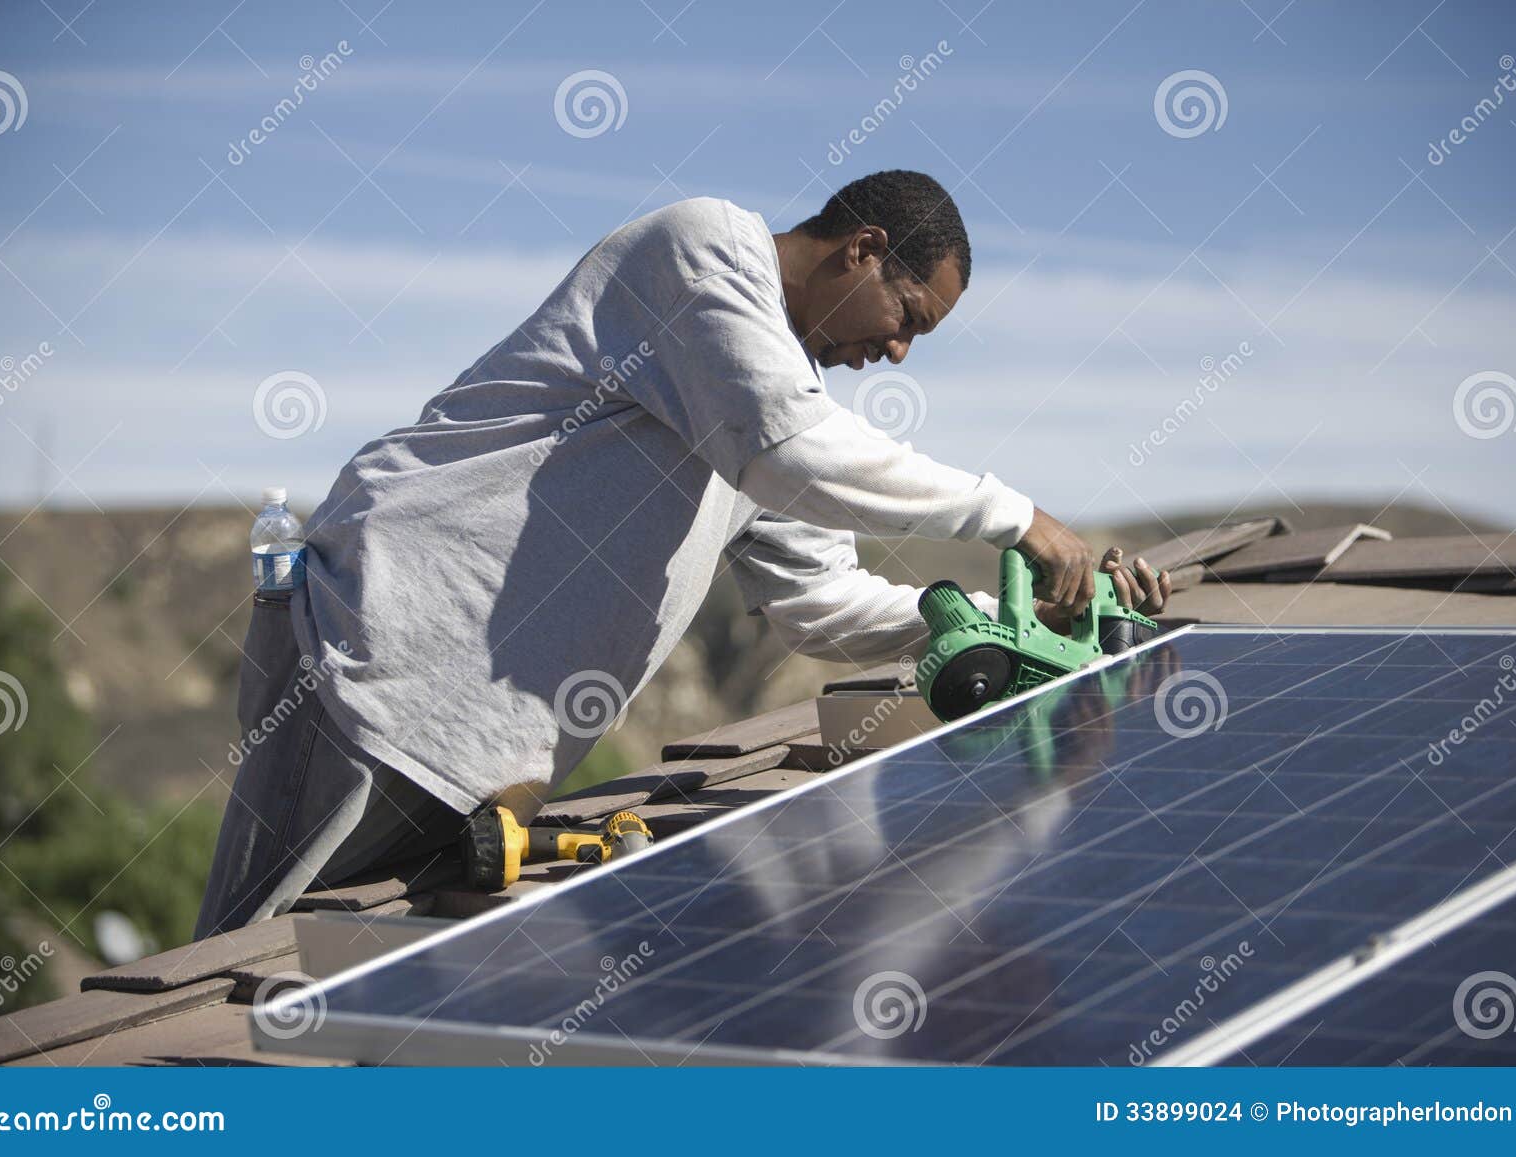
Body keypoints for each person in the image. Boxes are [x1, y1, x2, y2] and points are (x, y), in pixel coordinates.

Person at [194, 170, 1170, 937]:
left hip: (483, 755)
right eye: (907, 317)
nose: (900, 352)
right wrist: (1012, 514)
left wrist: (999, 627)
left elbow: (819, 603)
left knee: (351, 994)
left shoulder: (771, 398)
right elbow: (792, 458)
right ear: (862, 251)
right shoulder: (703, 254)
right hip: (383, 670)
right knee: (251, 982)